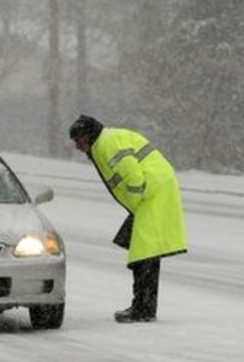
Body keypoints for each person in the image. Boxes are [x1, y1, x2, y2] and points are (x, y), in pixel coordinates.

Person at [68, 114, 188, 323]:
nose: (77, 146)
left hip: (151, 193)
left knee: (145, 255)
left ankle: (143, 310)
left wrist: (135, 202)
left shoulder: (106, 144)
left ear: (86, 136)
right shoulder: (104, 141)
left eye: (77, 140)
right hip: (152, 190)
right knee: (137, 247)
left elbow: (132, 173)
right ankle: (142, 306)